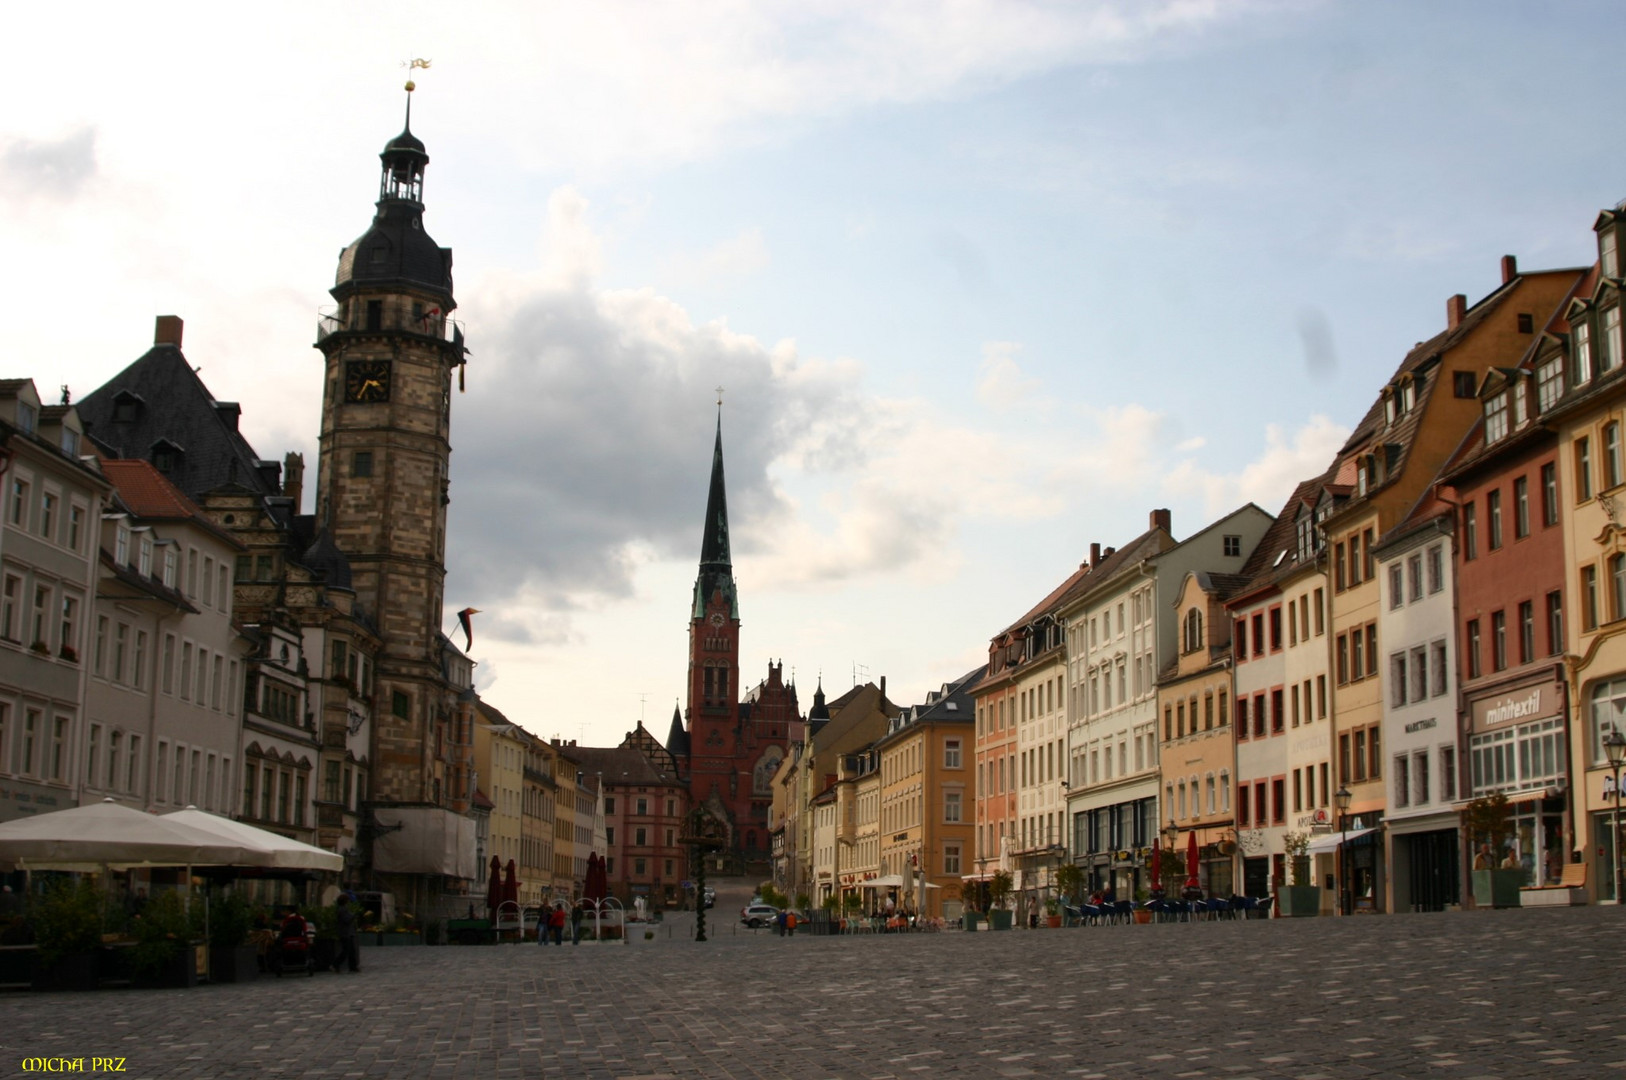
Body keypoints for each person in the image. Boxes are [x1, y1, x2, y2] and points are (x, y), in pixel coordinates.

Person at [332, 894, 360, 973]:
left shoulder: (343, 909)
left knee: (351, 951)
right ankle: (335, 964)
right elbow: (346, 920)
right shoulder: (342, 910)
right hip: (345, 933)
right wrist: (353, 916)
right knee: (346, 951)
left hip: (348, 932)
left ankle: (353, 967)